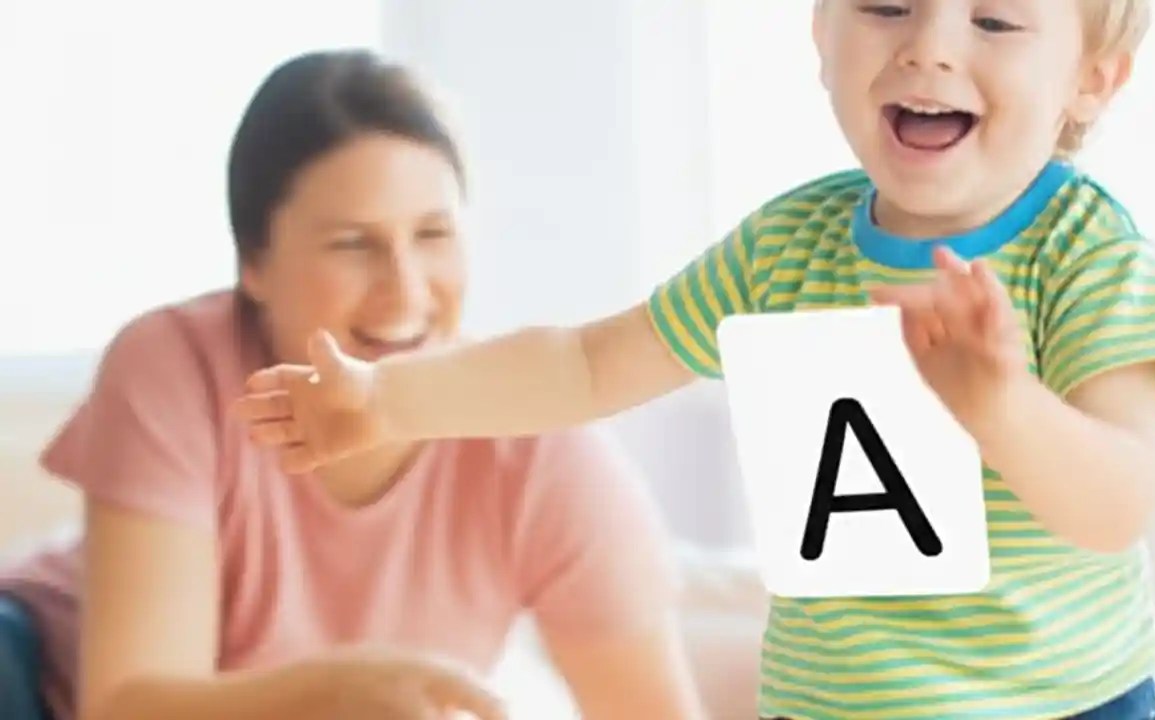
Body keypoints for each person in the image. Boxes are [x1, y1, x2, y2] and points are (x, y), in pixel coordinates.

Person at [235, 1, 1155, 719]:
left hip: (1065, 707)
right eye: (883, 7)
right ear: (819, 32)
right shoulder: (781, 249)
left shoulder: (1085, 251)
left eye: (993, 22)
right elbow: (585, 364)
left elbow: (1117, 503)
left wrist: (997, 401)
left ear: (1091, 76)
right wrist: (387, 399)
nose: (927, 45)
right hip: (825, 706)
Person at [0, 49, 711, 720]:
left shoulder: (540, 450)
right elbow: (125, 706)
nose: (404, 294)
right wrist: (328, 691)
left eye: (432, 235)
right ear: (254, 261)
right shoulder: (172, 362)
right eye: (352, 244)